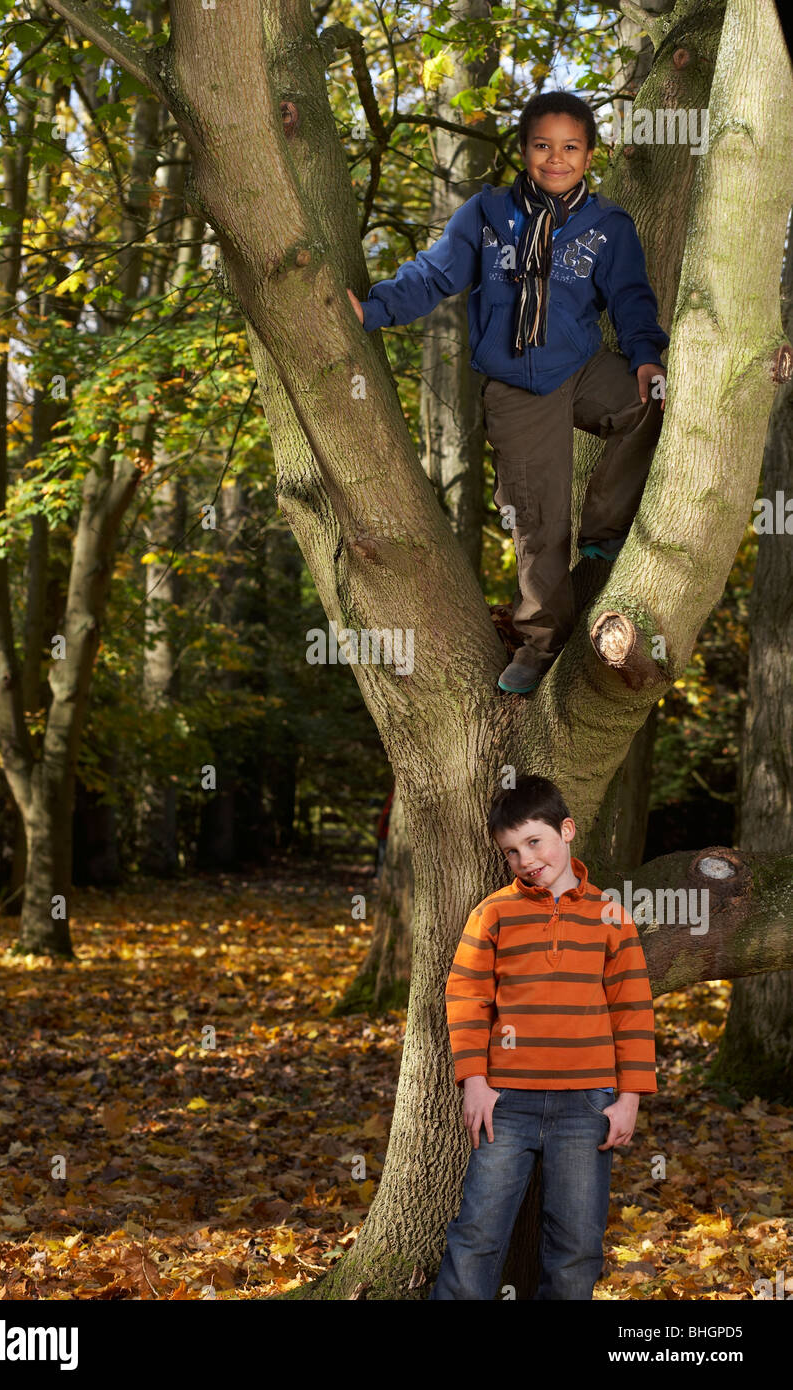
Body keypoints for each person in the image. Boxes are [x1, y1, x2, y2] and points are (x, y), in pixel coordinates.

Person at [349, 91, 668, 694]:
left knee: (647, 404)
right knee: (539, 520)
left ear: (589, 154)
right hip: (518, 384)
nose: (556, 158)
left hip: (580, 366)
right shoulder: (487, 214)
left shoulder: (608, 226)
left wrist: (646, 358)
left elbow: (631, 300)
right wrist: (373, 308)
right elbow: (434, 273)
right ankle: (538, 644)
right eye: (542, 145)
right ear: (524, 151)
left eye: (570, 147)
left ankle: (603, 539)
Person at [429, 775, 657, 1300]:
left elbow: (632, 1009)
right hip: (505, 1102)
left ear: (567, 831)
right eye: (511, 851)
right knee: (478, 1234)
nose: (526, 859)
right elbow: (467, 999)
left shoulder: (610, 916)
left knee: (577, 1245)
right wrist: (475, 1081)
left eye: (535, 841)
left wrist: (629, 1099)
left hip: (587, 1104)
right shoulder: (493, 914)